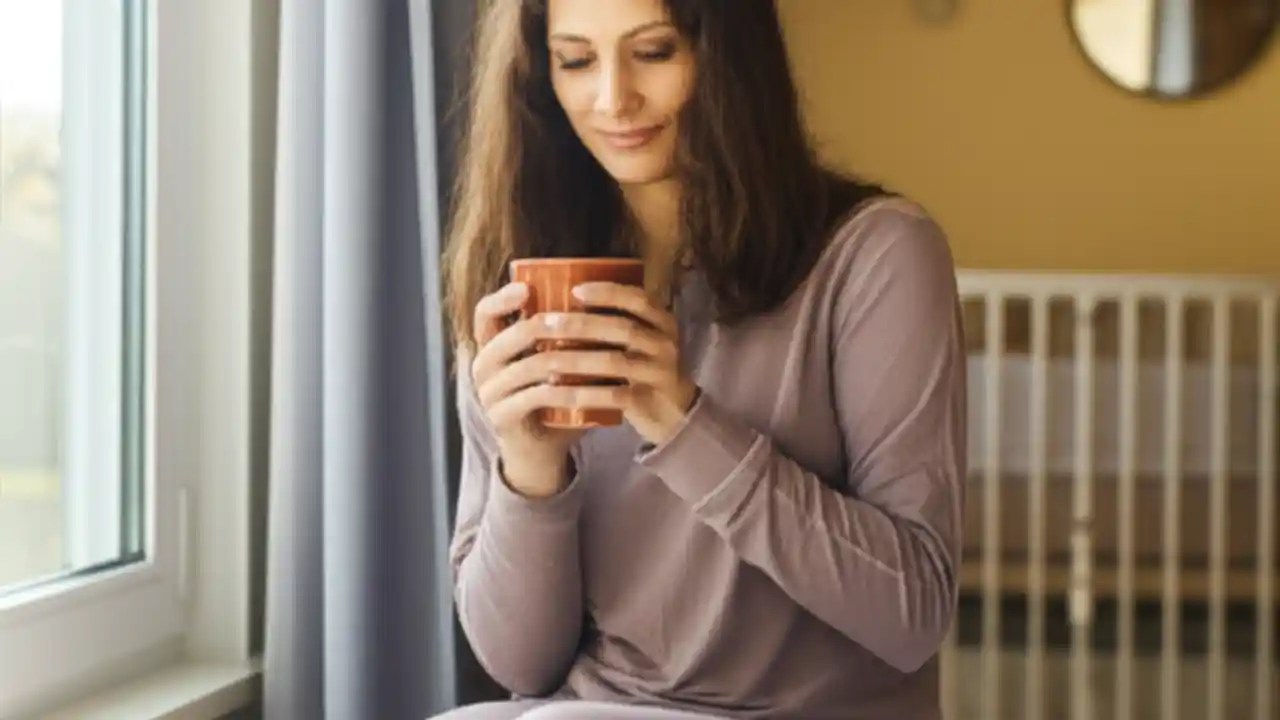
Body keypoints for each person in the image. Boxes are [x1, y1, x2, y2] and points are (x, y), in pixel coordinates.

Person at [433, 0, 966, 718]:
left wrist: (685, 426)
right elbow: (520, 664)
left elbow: (914, 616)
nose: (613, 98)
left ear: (729, 60)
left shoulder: (876, 256)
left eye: (654, 52)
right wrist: (528, 473)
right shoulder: (520, 282)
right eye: (577, 60)